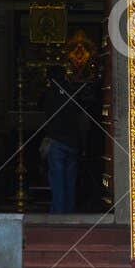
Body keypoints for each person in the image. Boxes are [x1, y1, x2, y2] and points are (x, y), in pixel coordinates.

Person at [39, 66, 89, 215]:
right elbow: (81, 115)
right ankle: (69, 211)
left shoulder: (49, 94)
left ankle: (58, 214)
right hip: (73, 142)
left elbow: (42, 108)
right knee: (70, 180)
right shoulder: (73, 91)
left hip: (56, 142)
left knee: (58, 181)